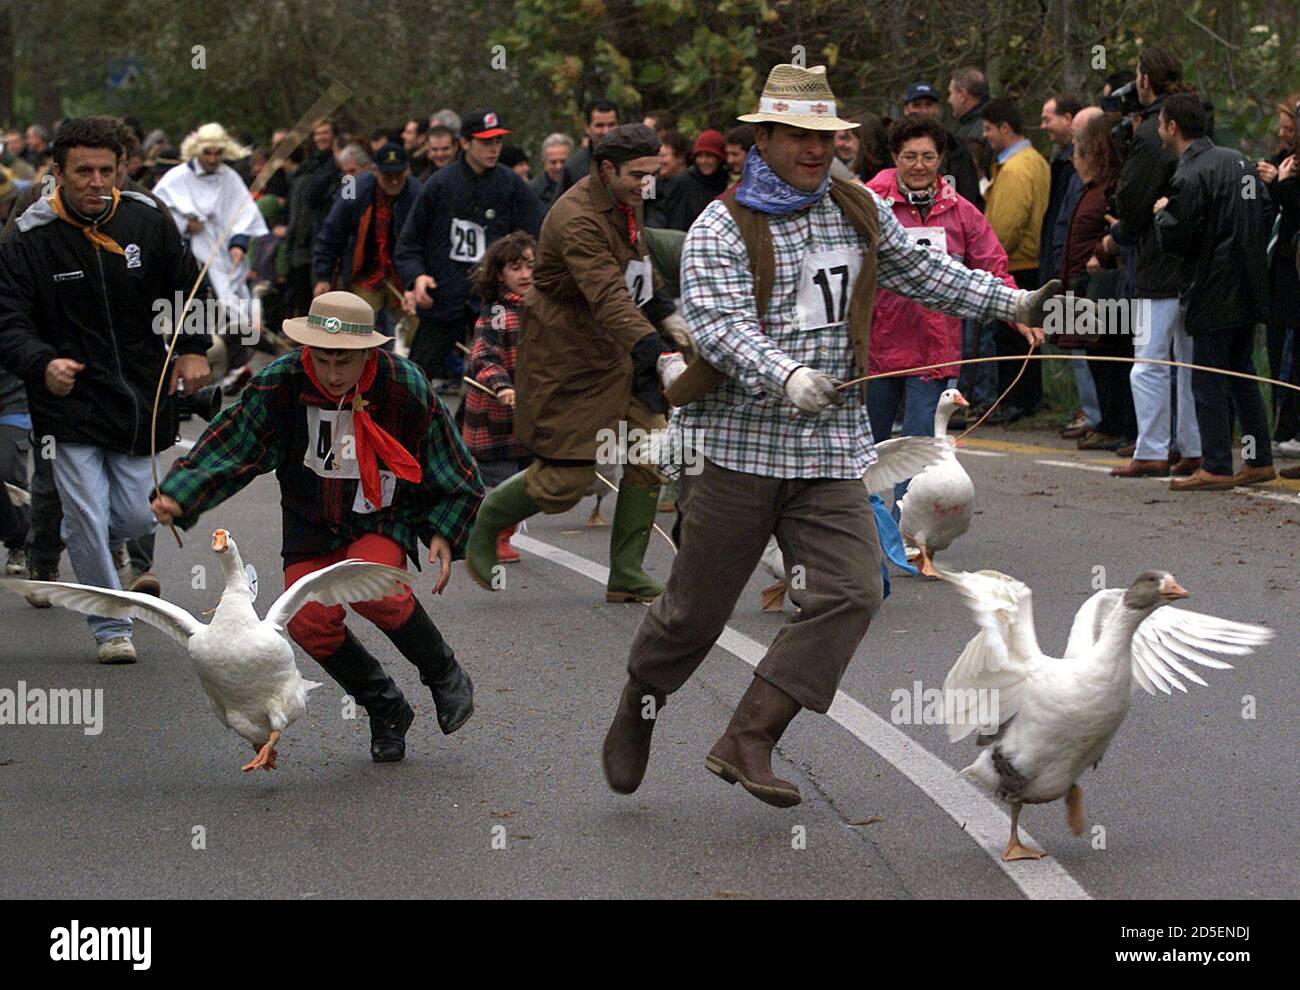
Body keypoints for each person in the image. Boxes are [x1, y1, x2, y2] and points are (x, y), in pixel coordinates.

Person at [600, 64, 1069, 809]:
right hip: (736, 448)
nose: (816, 150)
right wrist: (786, 375)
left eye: (825, 136)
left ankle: (750, 734)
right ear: (764, 139)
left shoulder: (856, 206)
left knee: (854, 590)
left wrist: (1011, 297)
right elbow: (718, 331)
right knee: (694, 612)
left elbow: (921, 270)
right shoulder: (720, 227)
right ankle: (642, 701)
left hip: (830, 450)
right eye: (798, 136)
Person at [151, 291, 483, 761]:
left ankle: (444, 673)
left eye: (343, 362)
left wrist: (443, 530)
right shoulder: (281, 383)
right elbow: (232, 446)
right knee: (307, 623)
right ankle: (384, 706)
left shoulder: (403, 383)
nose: (331, 374)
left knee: (378, 591)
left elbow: (451, 465)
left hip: (379, 516)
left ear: (369, 352)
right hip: (310, 520)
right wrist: (178, 495)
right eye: (322, 359)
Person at [0, 117, 212, 664]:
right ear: (57, 173)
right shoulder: (28, 237)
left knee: (138, 518)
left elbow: (189, 284)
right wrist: (41, 362)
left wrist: (192, 347)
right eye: (83, 171)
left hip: (139, 396)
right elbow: (8, 321)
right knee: (90, 517)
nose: (96, 182)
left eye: (106, 170)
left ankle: (82, 535)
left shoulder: (145, 219)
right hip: (66, 399)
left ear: (120, 169)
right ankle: (111, 626)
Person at [463, 124, 683, 604]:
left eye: (653, 175)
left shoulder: (627, 196)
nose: (647, 186)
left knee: (649, 455)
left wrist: (669, 314)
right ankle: (489, 518)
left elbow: (637, 264)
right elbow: (606, 295)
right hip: (571, 357)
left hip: (621, 348)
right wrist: (660, 354)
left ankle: (626, 571)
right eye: (638, 176)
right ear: (606, 169)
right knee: (570, 479)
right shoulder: (576, 218)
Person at [864, 113, 1022, 511]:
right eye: (910, 156)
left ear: (941, 160)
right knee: (865, 450)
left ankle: (909, 532)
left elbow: (992, 264)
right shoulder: (868, 202)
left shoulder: (961, 210)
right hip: (874, 349)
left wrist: (1020, 310)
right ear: (894, 157)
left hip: (933, 350)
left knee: (918, 451)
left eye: (929, 157)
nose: (919, 166)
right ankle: (856, 532)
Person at [1154, 94, 1275, 491]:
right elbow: (1263, 209)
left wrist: (1161, 214)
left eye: (1160, 122)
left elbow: (1178, 234)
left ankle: (1217, 464)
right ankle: (1258, 459)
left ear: (1172, 126)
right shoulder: (1239, 161)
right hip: (1248, 283)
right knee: (1242, 373)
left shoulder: (1191, 174)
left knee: (1207, 379)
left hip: (1212, 288)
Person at [394, 109, 544, 390]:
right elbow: (408, 242)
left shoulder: (511, 184)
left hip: (494, 302)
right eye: (486, 142)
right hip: (444, 297)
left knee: (496, 380)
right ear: (465, 143)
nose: (494, 148)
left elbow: (538, 233)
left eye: (498, 141)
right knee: (414, 382)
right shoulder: (439, 184)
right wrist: (417, 277)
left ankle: (474, 428)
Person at [1109, 48, 1201, 479]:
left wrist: (1120, 226)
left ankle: (1151, 448)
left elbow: (1133, 199)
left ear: (1145, 80)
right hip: (1191, 259)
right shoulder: (1200, 123)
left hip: (1157, 259)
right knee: (1187, 359)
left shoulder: (1151, 133)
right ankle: (1192, 445)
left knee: (1147, 361)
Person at [153, 123, 269, 392]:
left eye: (218, 153)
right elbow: (159, 214)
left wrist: (239, 242)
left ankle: (233, 368)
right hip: (188, 255)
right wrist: (184, 223)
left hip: (223, 254)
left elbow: (243, 214)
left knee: (240, 312)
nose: (213, 159)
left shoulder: (229, 178)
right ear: (197, 151)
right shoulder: (176, 178)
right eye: (208, 153)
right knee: (189, 309)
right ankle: (185, 368)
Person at [461, 231, 536, 561]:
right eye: (515, 267)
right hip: (497, 418)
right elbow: (484, 356)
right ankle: (493, 535)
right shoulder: (495, 312)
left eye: (530, 266)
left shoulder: (543, 309)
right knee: (504, 482)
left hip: (532, 416)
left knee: (531, 481)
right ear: (499, 273)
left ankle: (493, 529)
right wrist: (502, 386)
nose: (525, 274)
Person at [1068, 116, 1136, 451]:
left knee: (1112, 354)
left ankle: (1120, 424)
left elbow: (1118, 231)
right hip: (1086, 284)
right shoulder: (1091, 188)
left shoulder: (1113, 188)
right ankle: (1106, 422)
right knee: (1094, 353)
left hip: (1105, 284)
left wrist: (1100, 251)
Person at [981, 97, 1050, 421]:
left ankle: (1013, 400)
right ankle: (1028, 398)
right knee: (1028, 336)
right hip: (1030, 260)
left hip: (1016, 263)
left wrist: (987, 256)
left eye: (989, 129)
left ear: (1005, 128)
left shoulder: (1016, 169)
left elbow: (1007, 223)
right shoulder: (1035, 160)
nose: (986, 136)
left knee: (1011, 337)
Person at [313, 141, 419, 346]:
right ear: (375, 171)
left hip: (403, 275)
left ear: (407, 170)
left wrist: (415, 282)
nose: (395, 181)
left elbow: (424, 243)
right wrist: (323, 276)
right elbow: (332, 230)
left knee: (413, 331)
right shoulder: (352, 187)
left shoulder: (417, 193)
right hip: (366, 272)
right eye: (388, 176)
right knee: (357, 329)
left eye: (399, 175)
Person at [1258, 95, 1299, 459]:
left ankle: (1291, 426)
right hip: (1277, 274)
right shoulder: (1281, 160)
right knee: (1278, 352)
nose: (1285, 137)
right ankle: (1281, 424)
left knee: (1290, 353)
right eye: (1283, 131)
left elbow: (1294, 207)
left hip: (1292, 274)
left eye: (1292, 131)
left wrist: (1281, 184)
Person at [903, 82, 982, 209]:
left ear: (937, 109)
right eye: (917, 105)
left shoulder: (955, 148)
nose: (923, 111)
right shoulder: (892, 148)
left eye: (929, 105)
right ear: (906, 109)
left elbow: (970, 199)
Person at [645, 129, 730, 231]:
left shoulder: (726, 183)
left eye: (709, 156)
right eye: (700, 156)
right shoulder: (654, 182)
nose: (704, 161)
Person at [560, 99, 620, 193]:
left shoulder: (636, 159)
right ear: (587, 128)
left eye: (611, 125)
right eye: (599, 125)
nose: (606, 131)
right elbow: (560, 205)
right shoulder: (574, 168)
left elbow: (649, 197)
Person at [530, 133, 573, 213]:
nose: (559, 166)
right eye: (553, 162)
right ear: (544, 162)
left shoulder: (580, 185)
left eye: (563, 161)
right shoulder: (532, 191)